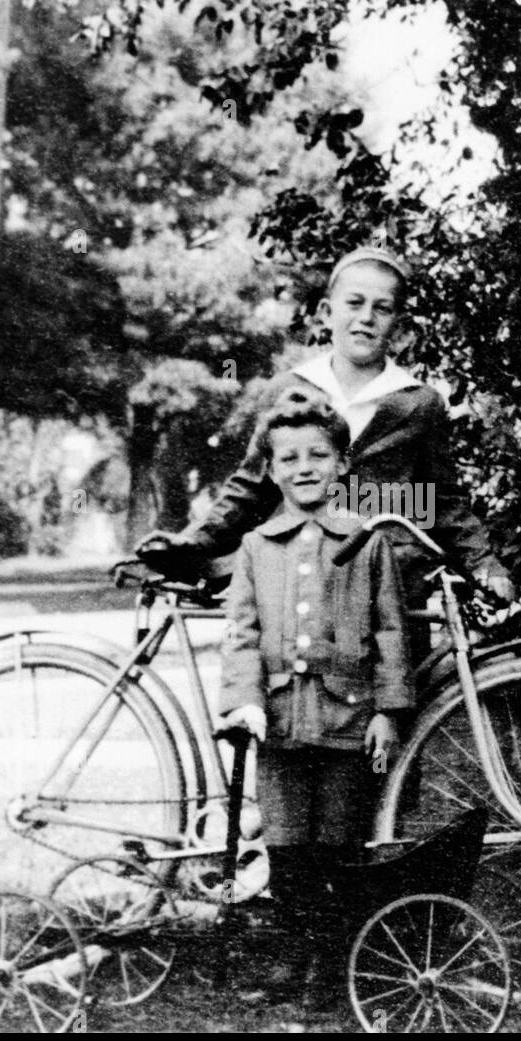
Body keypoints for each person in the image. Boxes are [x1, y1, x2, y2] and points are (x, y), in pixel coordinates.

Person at [136, 245, 515, 609]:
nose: (366, 317)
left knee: (397, 674)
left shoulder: (417, 402)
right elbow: (251, 487)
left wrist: (484, 565)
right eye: (354, 303)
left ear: (398, 328)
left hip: (388, 586)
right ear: (325, 312)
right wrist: (195, 542)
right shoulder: (289, 390)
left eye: (381, 309)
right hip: (299, 582)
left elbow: (440, 502)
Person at [218, 390, 413, 1007]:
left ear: (341, 465)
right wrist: (245, 703)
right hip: (277, 725)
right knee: (287, 852)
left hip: (347, 722)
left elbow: (390, 630)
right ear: (271, 470)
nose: (304, 468)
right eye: (290, 458)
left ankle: (332, 968)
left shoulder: (366, 542)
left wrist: (387, 709)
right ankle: (293, 958)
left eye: (319, 455)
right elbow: (242, 635)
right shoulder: (255, 548)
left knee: (339, 849)